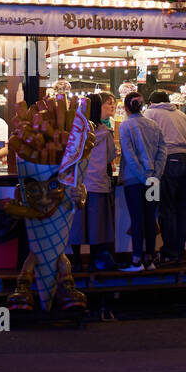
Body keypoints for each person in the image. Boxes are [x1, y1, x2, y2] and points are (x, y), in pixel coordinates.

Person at [145, 90, 186, 267]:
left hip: (168, 162)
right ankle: (179, 251)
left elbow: (147, 141)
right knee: (182, 210)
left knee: (166, 209)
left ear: (151, 102)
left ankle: (168, 254)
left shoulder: (150, 113)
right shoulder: (182, 114)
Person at [117, 92, 166, 271]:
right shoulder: (154, 125)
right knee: (150, 219)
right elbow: (163, 151)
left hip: (133, 181)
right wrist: (155, 174)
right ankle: (150, 259)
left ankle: (136, 260)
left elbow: (129, 156)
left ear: (126, 107)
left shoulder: (125, 126)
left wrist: (142, 176)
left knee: (136, 219)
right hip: (153, 180)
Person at [69, 92, 116, 271]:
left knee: (77, 225)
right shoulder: (105, 133)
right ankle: (96, 262)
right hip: (98, 184)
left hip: (78, 184)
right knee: (97, 225)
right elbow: (111, 156)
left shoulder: (76, 132)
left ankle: (77, 262)